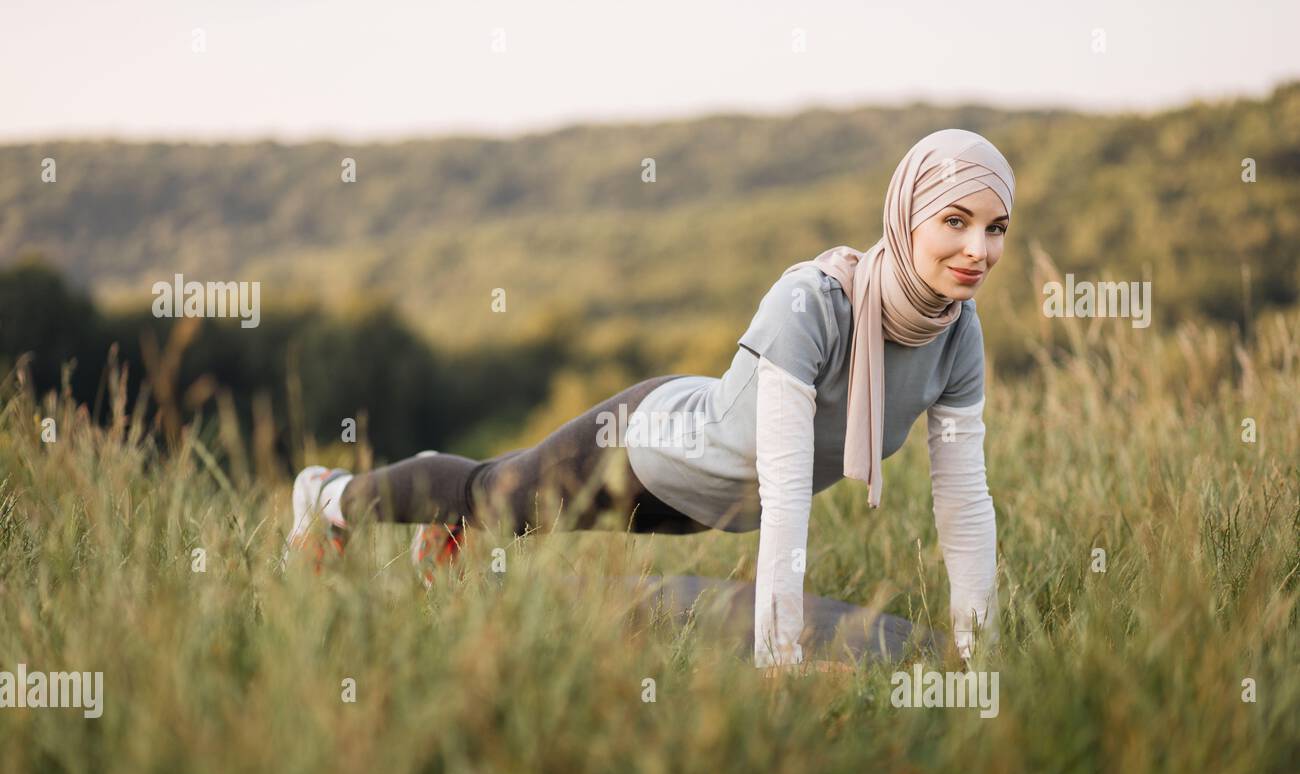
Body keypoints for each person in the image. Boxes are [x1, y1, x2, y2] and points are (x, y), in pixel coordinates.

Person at [286, 128, 1013, 670]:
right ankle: (328, 497)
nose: (978, 250)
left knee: (503, 513)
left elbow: (964, 502)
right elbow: (789, 490)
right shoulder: (815, 302)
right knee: (495, 500)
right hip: (645, 445)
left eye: (996, 228)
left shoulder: (958, 335)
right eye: (956, 221)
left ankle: (441, 535)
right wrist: (778, 659)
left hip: (715, 510)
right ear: (906, 214)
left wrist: (977, 652)